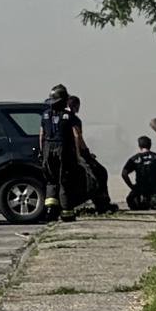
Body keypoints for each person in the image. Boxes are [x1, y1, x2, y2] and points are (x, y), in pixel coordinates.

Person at [64, 95, 116, 214]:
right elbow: (77, 137)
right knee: (100, 172)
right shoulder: (74, 119)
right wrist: (85, 153)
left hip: (61, 152)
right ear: (76, 106)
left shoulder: (59, 116)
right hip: (75, 153)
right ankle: (102, 203)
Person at [39, 84, 75, 220]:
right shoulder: (68, 116)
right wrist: (78, 155)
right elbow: (76, 135)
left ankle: (50, 211)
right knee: (64, 180)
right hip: (63, 149)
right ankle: (67, 213)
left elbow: (41, 136)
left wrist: (42, 152)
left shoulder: (45, 115)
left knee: (51, 181)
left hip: (48, 148)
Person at [123, 136, 156, 210]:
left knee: (132, 200)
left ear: (139, 146)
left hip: (140, 188)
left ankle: (144, 201)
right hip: (155, 188)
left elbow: (124, 173)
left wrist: (132, 186)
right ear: (150, 145)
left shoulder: (134, 159)